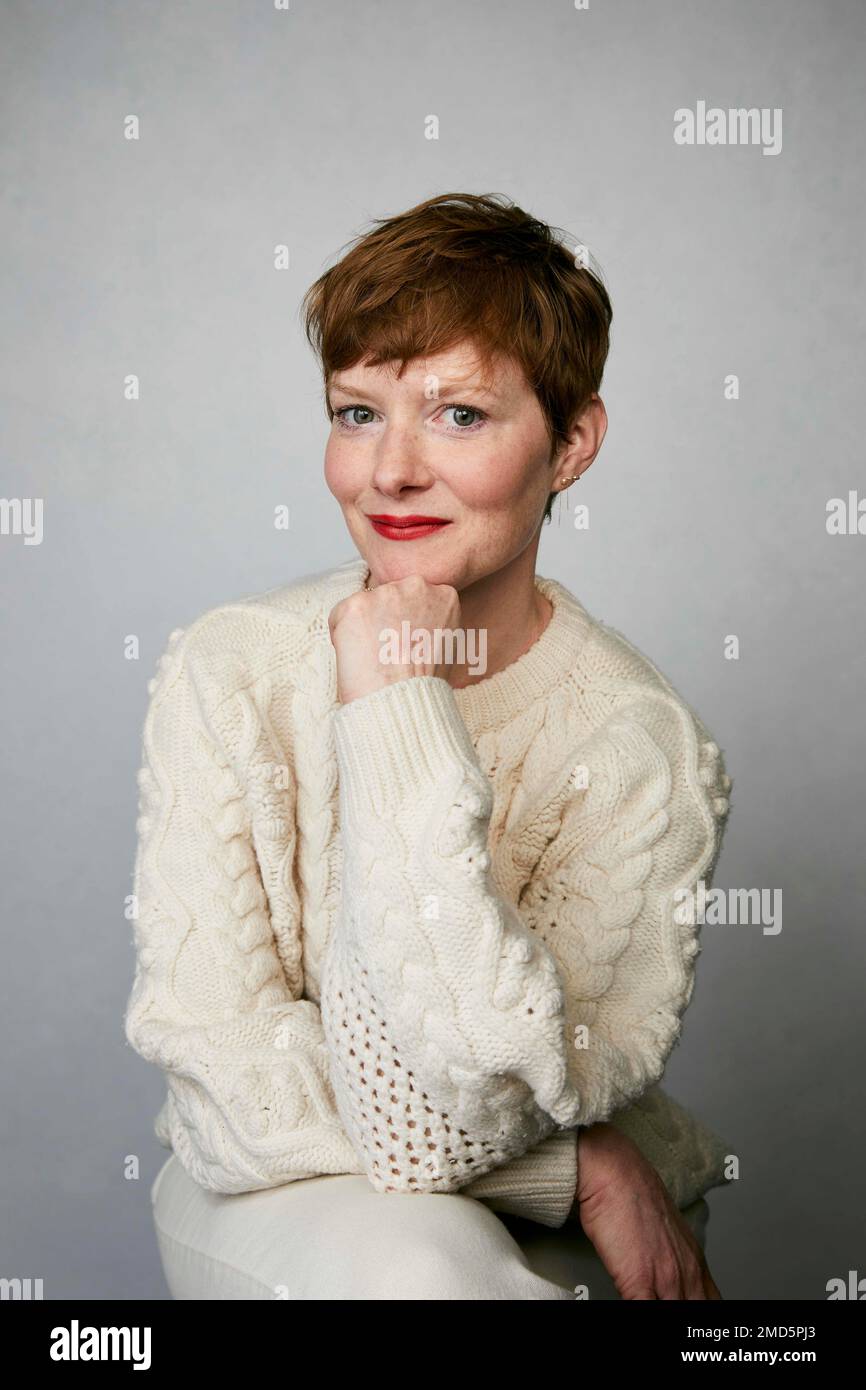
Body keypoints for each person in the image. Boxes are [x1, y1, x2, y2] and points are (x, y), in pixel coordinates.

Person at [125, 192, 735, 1300]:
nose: (391, 470)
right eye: (356, 413)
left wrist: (394, 710)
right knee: (415, 1277)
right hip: (266, 1182)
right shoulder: (232, 668)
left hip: (512, 1216)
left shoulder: (638, 745)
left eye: (457, 415)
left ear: (570, 443)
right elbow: (228, 1069)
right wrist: (578, 1165)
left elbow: (487, 1098)